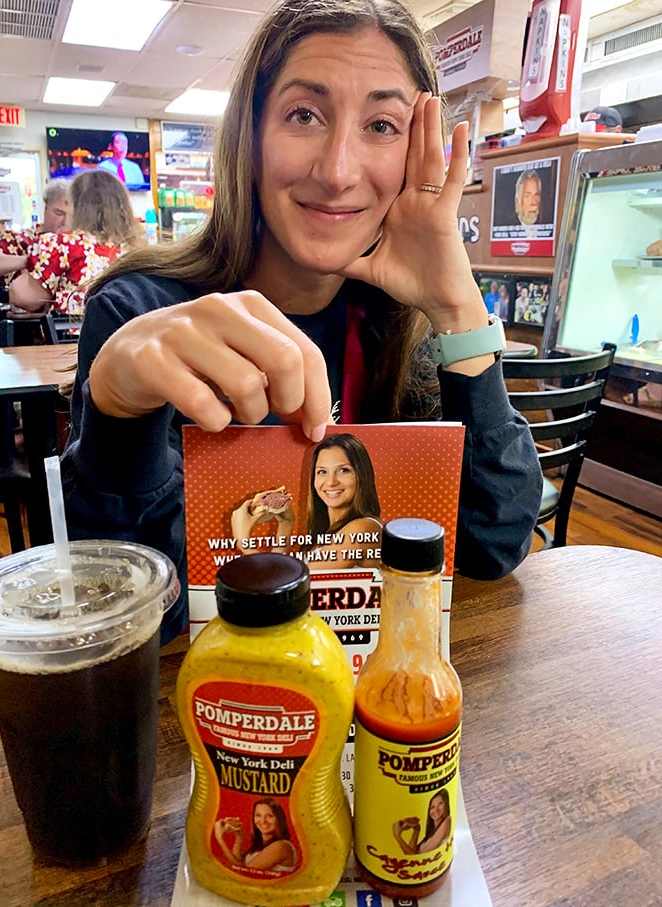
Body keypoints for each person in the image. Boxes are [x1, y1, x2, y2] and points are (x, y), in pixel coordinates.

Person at [61, 0, 543, 645]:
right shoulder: (144, 314)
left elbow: (491, 546)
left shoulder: (408, 320)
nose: (338, 171)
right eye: (304, 115)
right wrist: (118, 414)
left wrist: (458, 309)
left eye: (381, 124)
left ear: (415, 154)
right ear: (250, 137)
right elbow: (133, 610)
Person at [0, 170, 142, 317]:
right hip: (129, 338)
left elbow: (24, 297)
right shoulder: (137, 248)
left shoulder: (62, 243)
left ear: (77, 205)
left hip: (75, 339)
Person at [231, 432, 382, 568]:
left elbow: (286, 586)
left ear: (362, 475)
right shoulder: (326, 532)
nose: (330, 482)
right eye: (322, 472)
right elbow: (280, 573)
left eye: (344, 470)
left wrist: (243, 540)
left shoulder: (364, 528)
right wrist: (285, 524)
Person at [0, 179, 70, 280]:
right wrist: (31, 260)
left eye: (72, 216)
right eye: (59, 213)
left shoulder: (84, 244)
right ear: (45, 209)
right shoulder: (22, 240)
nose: (65, 222)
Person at [214, 798, 297, 871]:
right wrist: (239, 835)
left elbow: (244, 871)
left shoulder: (281, 846)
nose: (263, 821)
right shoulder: (260, 846)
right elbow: (239, 862)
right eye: (258, 815)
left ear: (279, 819)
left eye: (270, 816)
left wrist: (220, 838)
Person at [393, 789, 452, 854]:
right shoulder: (431, 834)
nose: (436, 810)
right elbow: (412, 852)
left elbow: (417, 857)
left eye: (440, 804)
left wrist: (397, 836)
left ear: (446, 804)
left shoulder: (447, 821)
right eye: (432, 807)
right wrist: (417, 830)